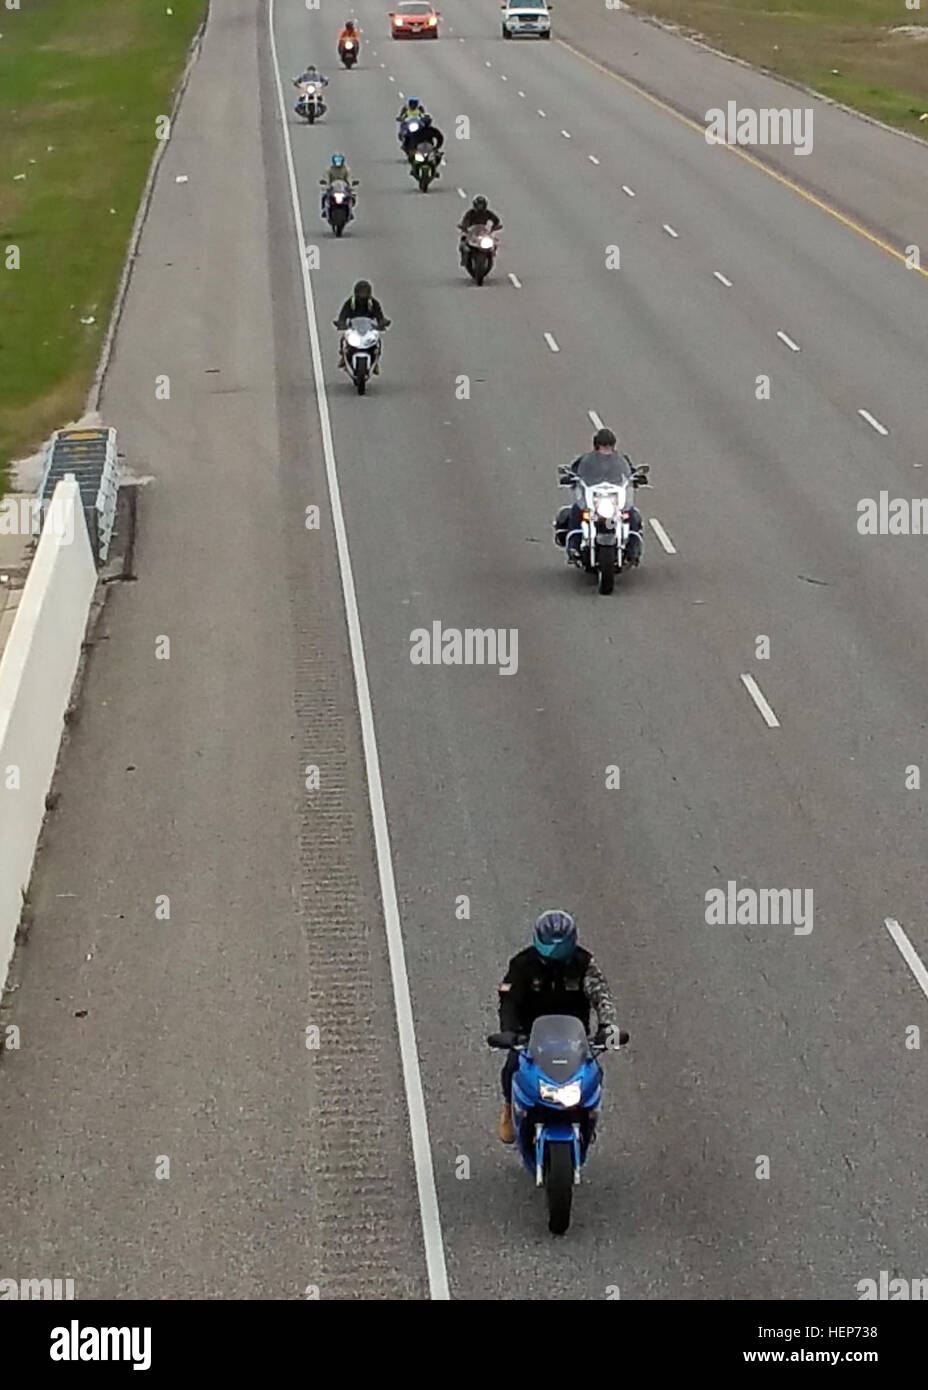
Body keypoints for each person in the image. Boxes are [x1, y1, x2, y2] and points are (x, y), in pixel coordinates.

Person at [495, 910, 618, 1144]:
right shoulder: (522, 965)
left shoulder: (583, 963)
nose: (555, 952)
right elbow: (509, 1002)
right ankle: (509, 1108)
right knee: (512, 1067)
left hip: (573, 1037)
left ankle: (587, 1116)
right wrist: (509, 1032)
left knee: (593, 1073)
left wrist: (607, 1026)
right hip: (531, 1036)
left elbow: (602, 995)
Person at [554, 427, 644, 563]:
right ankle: (574, 546)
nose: (606, 449)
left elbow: (630, 473)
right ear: (596, 446)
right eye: (603, 445)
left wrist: (637, 478)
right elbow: (574, 472)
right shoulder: (586, 460)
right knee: (576, 511)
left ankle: (633, 547)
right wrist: (570, 477)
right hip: (593, 498)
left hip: (614, 498)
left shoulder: (621, 460)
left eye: (609, 446)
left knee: (629, 513)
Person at [333, 280, 391, 372]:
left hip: (368, 330)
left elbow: (380, 316)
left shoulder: (373, 303)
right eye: (361, 292)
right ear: (356, 292)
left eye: (364, 292)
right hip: (354, 329)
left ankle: (375, 362)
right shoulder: (350, 303)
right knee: (343, 339)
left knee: (378, 342)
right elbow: (342, 315)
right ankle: (343, 358)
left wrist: (382, 323)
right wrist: (341, 323)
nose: (362, 295)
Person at [457, 195, 502, 265]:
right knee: (463, 243)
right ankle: (464, 259)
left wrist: (495, 227)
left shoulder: (488, 213)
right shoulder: (470, 213)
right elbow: (464, 222)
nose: (480, 207)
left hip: (483, 232)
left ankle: (491, 254)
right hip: (472, 233)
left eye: (481, 205)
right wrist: (464, 227)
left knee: (494, 242)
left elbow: (496, 221)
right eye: (479, 205)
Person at [321, 153, 355, 217]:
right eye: (336, 160)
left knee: (352, 196)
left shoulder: (346, 170)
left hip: (343, 188)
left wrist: (350, 186)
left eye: (339, 160)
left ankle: (350, 210)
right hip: (333, 188)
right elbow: (327, 178)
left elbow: (348, 179)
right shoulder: (330, 170)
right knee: (324, 196)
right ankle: (324, 210)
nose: (338, 162)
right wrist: (327, 185)